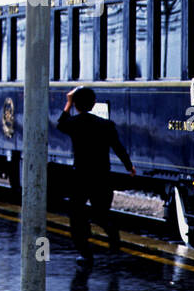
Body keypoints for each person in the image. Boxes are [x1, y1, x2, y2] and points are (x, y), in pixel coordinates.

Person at [58, 86, 136, 267]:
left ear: (76, 105)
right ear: (94, 104)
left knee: (76, 216)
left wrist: (68, 102)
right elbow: (118, 147)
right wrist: (129, 166)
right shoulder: (106, 125)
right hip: (102, 176)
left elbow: (61, 123)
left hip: (80, 177)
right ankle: (114, 241)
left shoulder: (74, 124)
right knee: (101, 214)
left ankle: (85, 254)